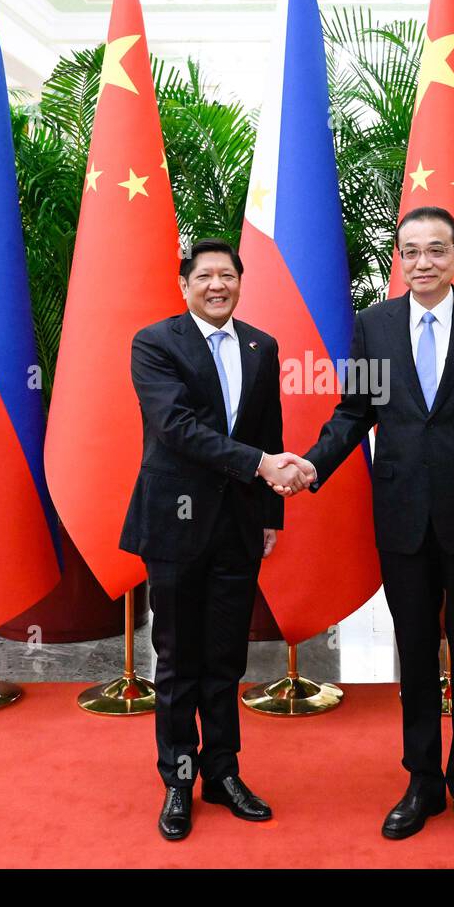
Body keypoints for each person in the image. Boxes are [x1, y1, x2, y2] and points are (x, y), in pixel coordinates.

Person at [280, 206, 454, 846]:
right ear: (400, 258)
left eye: (435, 250)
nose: (423, 263)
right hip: (403, 519)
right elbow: (353, 414)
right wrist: (311, 464)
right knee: (415, 654)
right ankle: (422, 781)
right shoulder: (375, 327)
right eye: (410, 251)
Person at [120, 237, 312, 841]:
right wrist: (261, 464)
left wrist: (271, 517)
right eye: (204, 276)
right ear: (185, 285)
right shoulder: (155, 343)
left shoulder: (262, 345)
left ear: (239, 281)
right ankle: (178, 781)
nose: (217, 285)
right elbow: (176, 429)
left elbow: (270, 428)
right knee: (178, 659)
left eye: (227, 275)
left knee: (227, 657)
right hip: (174, 526)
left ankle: (223, 774)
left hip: (238, 528)